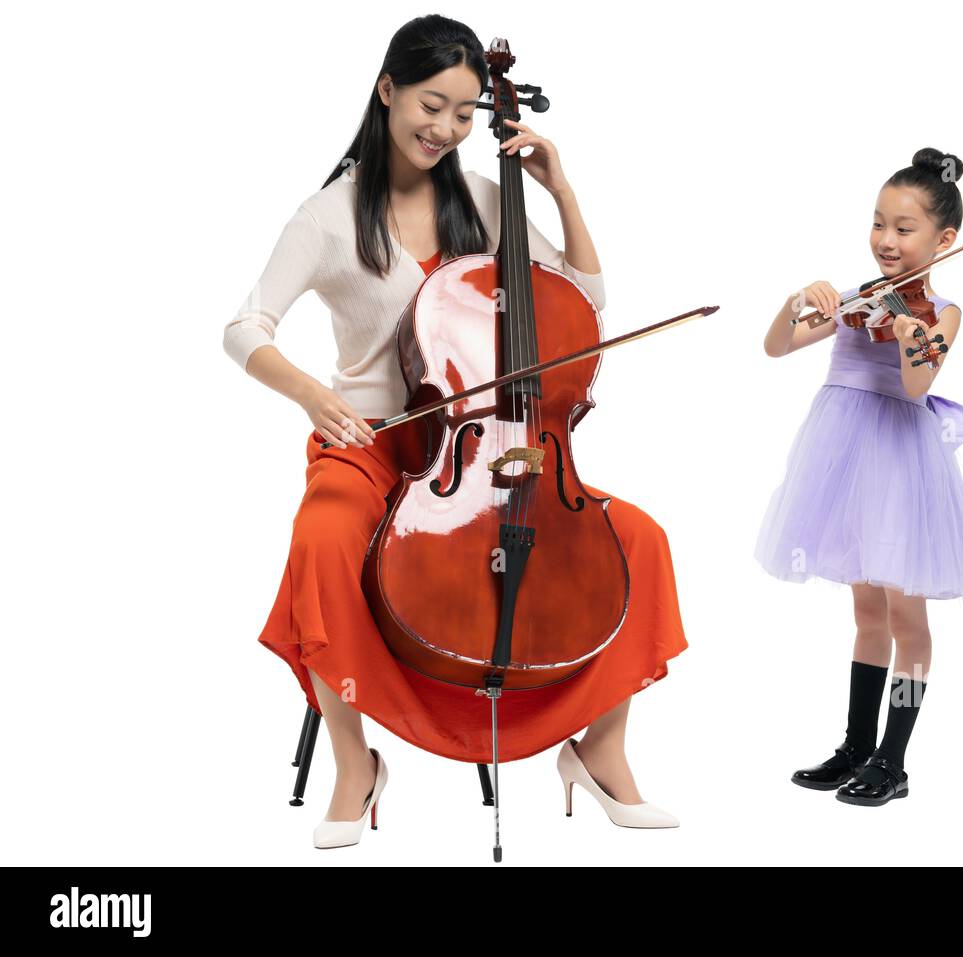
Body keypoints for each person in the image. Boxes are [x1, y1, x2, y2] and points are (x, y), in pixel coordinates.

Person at [222, 15, 685, 848]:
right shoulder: (327, 218)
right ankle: (356, 763)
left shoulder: (478, 197)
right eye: (433, 104)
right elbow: (245, 326)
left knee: (641, 540)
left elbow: (587, 294)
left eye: (468, 113)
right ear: (388, 88)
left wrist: (558, 187)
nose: (446, 128)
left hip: (488, 446)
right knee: (323, 537)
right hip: (369, 444)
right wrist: (307, 396)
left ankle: (600, 750)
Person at [755, 147, 963, 807]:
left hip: (899, 460)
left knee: (905, 613)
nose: (886, 240)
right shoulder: (856, 298)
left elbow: (918, 385)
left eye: (904, 228)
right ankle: (857, 744)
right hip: (842, 455)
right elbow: (777, 345)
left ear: (944, 240)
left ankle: (894, 757)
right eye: (878, 223)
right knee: (866, 608)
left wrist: (912, 332)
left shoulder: (941, 312)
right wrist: (797, 298)